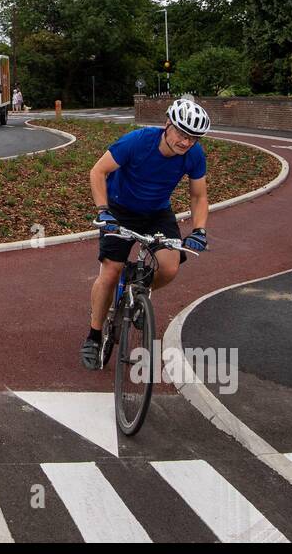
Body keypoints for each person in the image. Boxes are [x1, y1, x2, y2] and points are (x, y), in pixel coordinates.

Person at [81, 97, 212, 369]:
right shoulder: (137, 141)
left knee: (170, 266)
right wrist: (103, 211)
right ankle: (94, 336)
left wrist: (199, 230)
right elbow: (98, 171)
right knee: (111, 271)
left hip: (156, 213)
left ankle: (139, 292)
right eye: (182, 133)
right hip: (119, 209)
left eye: (193, 138)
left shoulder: (194, 155)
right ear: (167, 125)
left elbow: (198, 196)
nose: (186, 142)